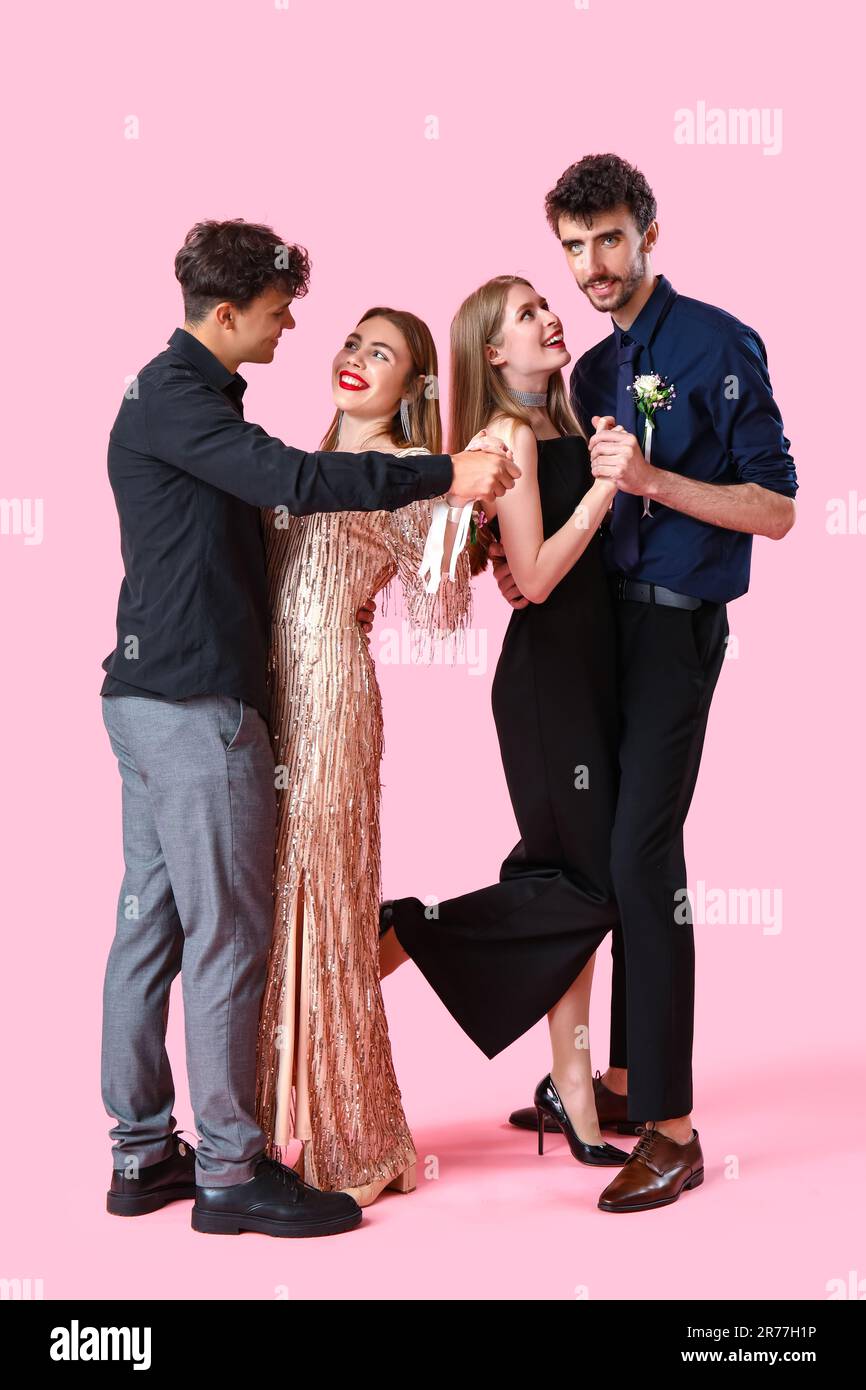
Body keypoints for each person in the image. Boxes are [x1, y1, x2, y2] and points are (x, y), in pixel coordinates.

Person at [99, 218, 517, 1239]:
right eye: (286, 312)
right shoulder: (185, 402)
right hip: (200, 710)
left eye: (376, 348)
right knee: (232, 935)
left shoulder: (176, 400)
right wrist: (444, 471)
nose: (301, 330)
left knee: (150, 927)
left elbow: (437, 559)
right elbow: (296, 481)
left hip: (170, 701)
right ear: (229, 310)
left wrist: (486, 494)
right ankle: (231, 1173)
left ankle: (144, 1153)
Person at [502, 154, 797, 1212]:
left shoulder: (718, 341)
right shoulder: (590, 372)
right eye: (573, 247)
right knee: (590, 854)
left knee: (642, 854)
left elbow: (774, 508)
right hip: (597, 638)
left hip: (676, 635)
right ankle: (621, 1081)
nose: (591, 266)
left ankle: (670, 1131)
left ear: (648, 232)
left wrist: (657, 482)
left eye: (609, 240)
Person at [379, 276, 630, 1168]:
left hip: (590, 674)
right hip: (548, 681)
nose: (549, 317)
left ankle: (573, 1090)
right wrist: (606, 493)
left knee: (579, 883)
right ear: (494, 354)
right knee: (593, 885)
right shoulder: (510, 434)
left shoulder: (564, 424)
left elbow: (519, 565)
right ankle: (413, 929)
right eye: (526, 315)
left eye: (543, 305)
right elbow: (540, 572)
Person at [255, 306, 475, 1208]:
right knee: (274, 907)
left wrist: (468, 496)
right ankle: (271, 1127)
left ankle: (354, 1138)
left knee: (325, 903)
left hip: (334, 709)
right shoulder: (293, 462)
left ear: (412, 385)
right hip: (269, 709)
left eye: (381, 353)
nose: (356, 359)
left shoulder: (400, 481)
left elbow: (446, 592)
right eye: (352, 341)